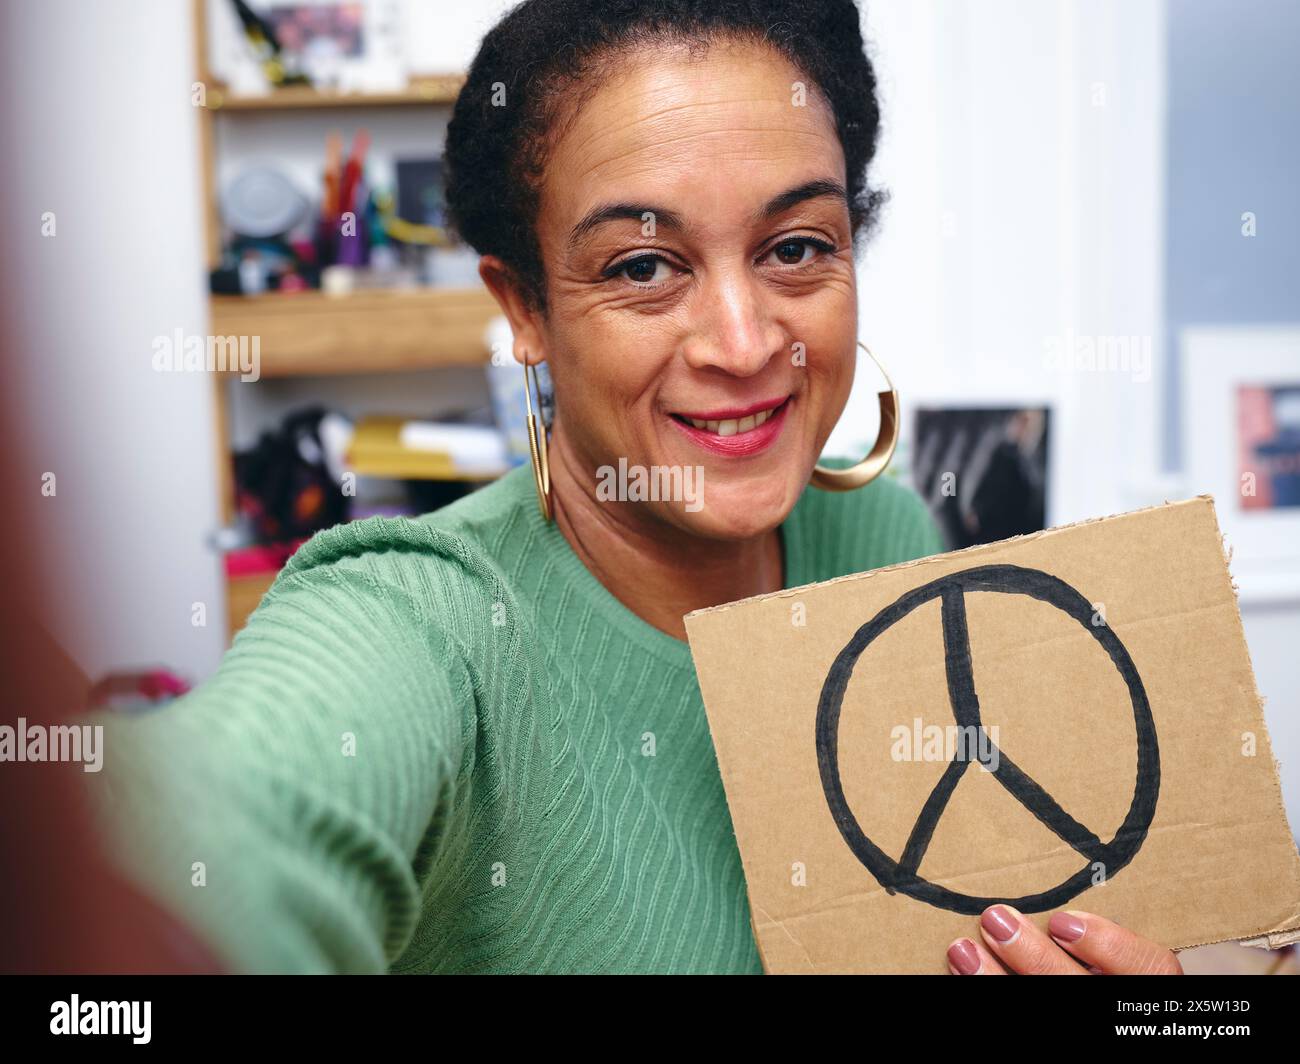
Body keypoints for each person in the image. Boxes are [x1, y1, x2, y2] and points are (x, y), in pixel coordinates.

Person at [85, 0, 1181, 976]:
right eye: (642, 266)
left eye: (796, 246)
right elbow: (212, 834)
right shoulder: (423, 624)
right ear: (523, 307)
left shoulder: (884, 534)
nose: (745, 342)